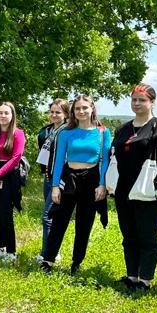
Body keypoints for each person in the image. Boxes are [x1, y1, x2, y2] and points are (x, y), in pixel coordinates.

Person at [111, 84, 157, 291]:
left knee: (147, 236)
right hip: (124, 192)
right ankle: (132, 276)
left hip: (148, 194)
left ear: (152, 102)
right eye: (134, 100)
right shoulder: (122, 129)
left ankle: (145, 280)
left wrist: (152, 186)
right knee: (129, 236)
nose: (137, 104)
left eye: (142, 100)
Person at [41, 95, 111, 274]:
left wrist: (102, 184)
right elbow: (58, 161)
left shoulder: (103, 132)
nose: (81, 111)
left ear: (92, 109)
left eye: (84, 108)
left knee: (84, 222)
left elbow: (105, 162)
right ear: (73, 111)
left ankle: (76, 262)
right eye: (77, 108)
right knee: (59, 220)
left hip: (92, 180)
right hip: (70, 178)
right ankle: (48, 259)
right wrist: (55, 186)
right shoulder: (66, 133)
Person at [0, 102, 26, 263]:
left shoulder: (18, 133)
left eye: (6, 113)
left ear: (12, 115)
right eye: (0, 113)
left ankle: (11, 252)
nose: (2, 116)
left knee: (5, 214)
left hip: (8, 176)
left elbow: (16, 158)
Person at [36, 99, 69, 264]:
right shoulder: (47, 131)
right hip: (47, 177)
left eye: (58, 112)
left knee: (47, 216)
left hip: (60, 179)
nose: (54, 115)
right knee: (50, 216)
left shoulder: (66, 131)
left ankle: (48, 254)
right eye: (52, 112)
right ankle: (52, 251)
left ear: (66, 114)